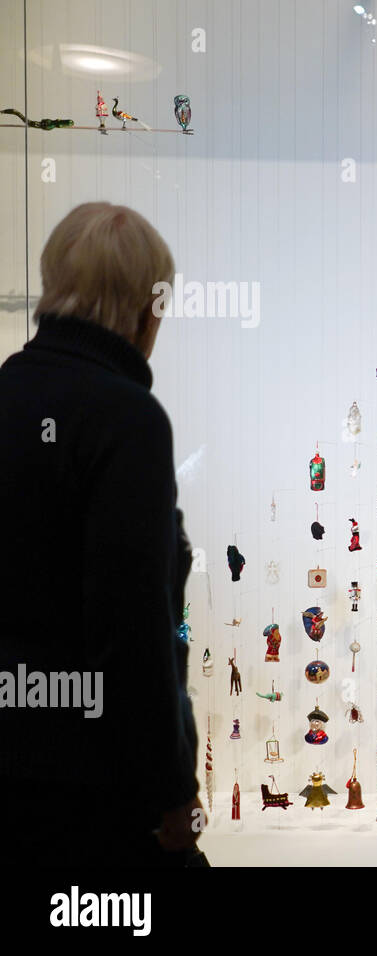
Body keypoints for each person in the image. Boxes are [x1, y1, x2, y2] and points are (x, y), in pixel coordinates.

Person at [0, 203, 204, 865]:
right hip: (93, 791)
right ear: (147, 310)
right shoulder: (127, 421)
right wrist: (171, 794)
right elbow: (132, 630)